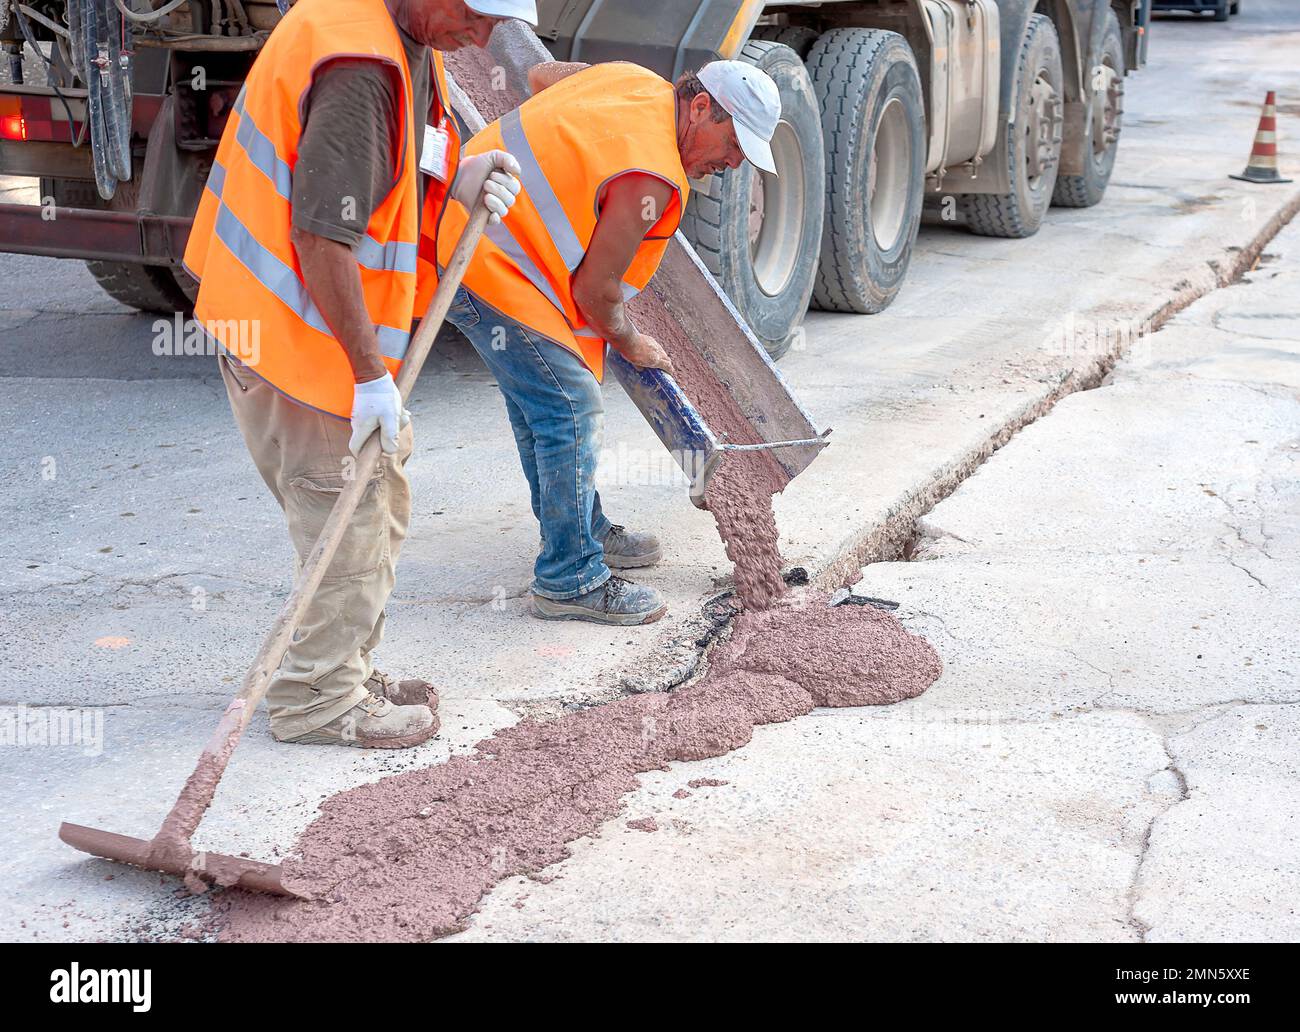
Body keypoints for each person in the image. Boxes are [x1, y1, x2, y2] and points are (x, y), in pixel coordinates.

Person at [181, 0, 537, 747]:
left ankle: (344, 667)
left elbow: (392, 173)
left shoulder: (402, 35)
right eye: (477, 19)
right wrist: (371, 376)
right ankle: (318, 702)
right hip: (298, 342)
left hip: (307, 338)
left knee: (378, 497)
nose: (483, 39)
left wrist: (458, 180)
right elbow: (322, 238)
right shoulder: (360, 69)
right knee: (348, 520)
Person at [433, 58, 780, 625]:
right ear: (699, 108)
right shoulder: (650, 174)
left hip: (479, 236)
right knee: (568, 406)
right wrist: (633, 342)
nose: (733, 162)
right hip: (489, 259)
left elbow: (542, 73)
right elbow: (596, 291)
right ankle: (569, 579)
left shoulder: (634, 81)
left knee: (542, 406)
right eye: (735, 142)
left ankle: (582, 527)